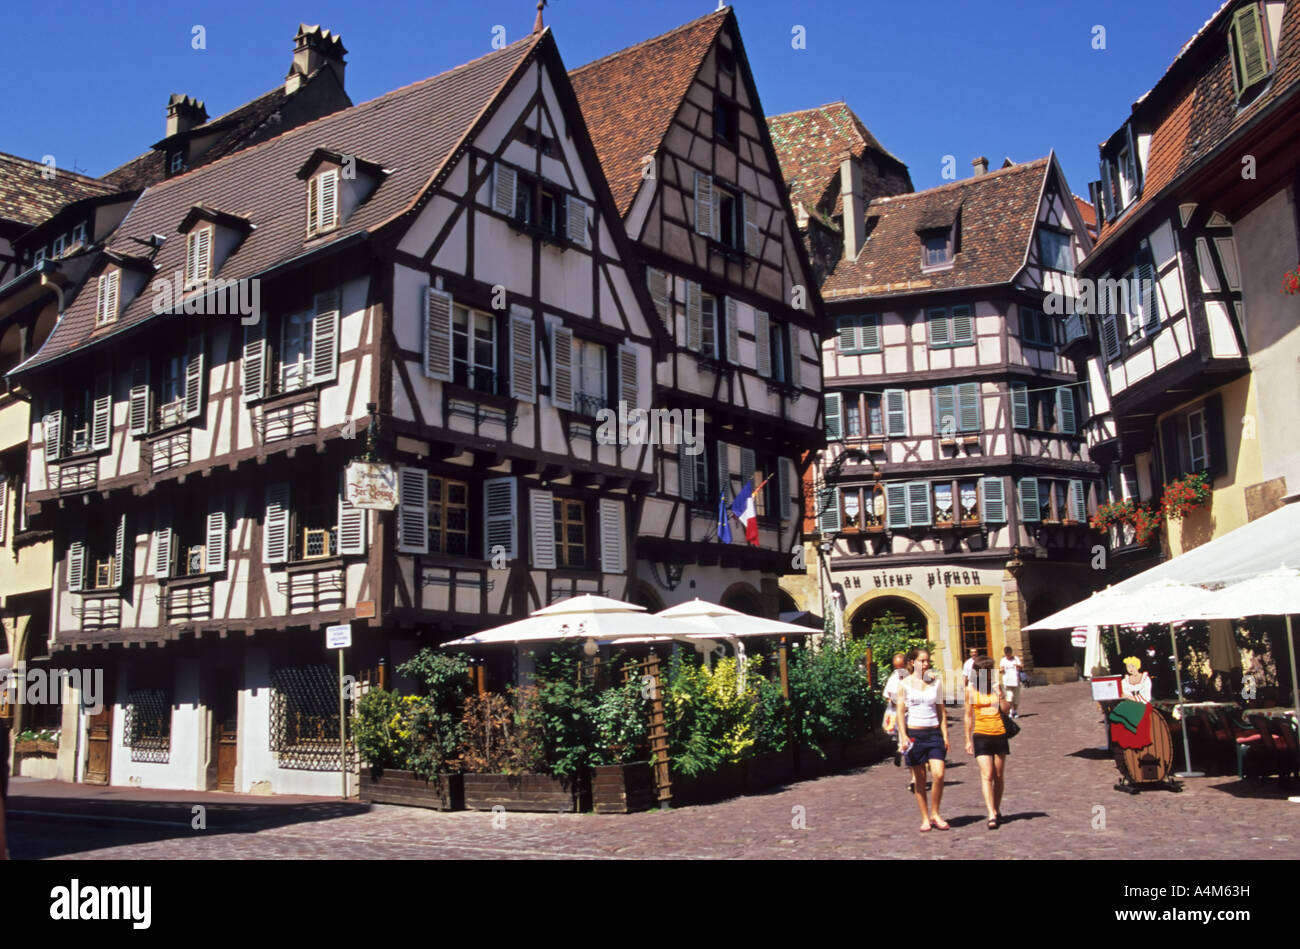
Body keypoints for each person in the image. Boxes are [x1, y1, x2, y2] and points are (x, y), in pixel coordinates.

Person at [897, 648, 949, 832]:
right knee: (919, 779)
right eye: (922, 661)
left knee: (939, 774)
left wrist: (945, 735)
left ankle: (935, 813)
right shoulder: (904, 684)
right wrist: (903, 736)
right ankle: (925, 817)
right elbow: (900, 713)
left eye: (927, 661)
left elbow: (941, 711)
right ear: (912, 662)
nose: (926, 664)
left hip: (933, 733)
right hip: (914, 735)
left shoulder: (935, 682)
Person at [965, 656, 1010, 829]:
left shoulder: (995, 687)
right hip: (981, 734)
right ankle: (991, 813)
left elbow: (1006, 709)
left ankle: (997, 810)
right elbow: (968, 716)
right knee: (987, 774)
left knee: (998, 776)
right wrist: (967, 739)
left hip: (999, 733)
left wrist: (1001, 697)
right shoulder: (970, 690)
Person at [882, 653, 909, 767]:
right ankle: (903, 750)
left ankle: (901, 749)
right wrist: (891, 702)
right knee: (903, 734)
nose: (899, 670)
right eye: (896, 667)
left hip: (909, 710)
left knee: (907, 735)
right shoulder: (893, 678)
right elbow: (886, 694)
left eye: (901, 667)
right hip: (898, 711)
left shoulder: (911, 677)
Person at [1000, 646, 1024, 718]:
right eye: (1007, 654)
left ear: (1011, 652)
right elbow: (1000, 670)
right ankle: (1010, 711)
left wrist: (1018, 666)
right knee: (1009, 697)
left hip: (1016, 681)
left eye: (1009, 654)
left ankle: (1015, 711)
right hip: (1007, 682)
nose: (1008, 655)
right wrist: (1002, 669)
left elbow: (1021, 667)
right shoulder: (1003, 660)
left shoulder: (1016, 659)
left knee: (1016, 697)